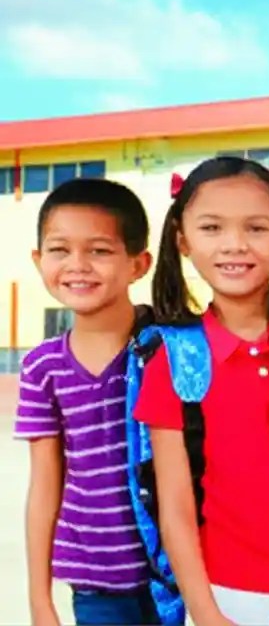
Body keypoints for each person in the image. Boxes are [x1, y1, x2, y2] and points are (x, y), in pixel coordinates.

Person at [132, 156, 269, 626]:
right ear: (182, 239)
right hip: (227, 596)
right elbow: (174, 508)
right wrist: (206, 612)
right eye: (212, 228)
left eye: (256, 228)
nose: (235, 245)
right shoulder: (174, 359)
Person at [17, 179, 156, 626]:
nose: (78, 266)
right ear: (39, 261)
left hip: (181, 575)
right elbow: (44, 486)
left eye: (99, 250)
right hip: (97, 582)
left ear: (138, 264)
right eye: (59, 250)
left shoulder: (168, 349)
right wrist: (40, 600)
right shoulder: (43, 368)